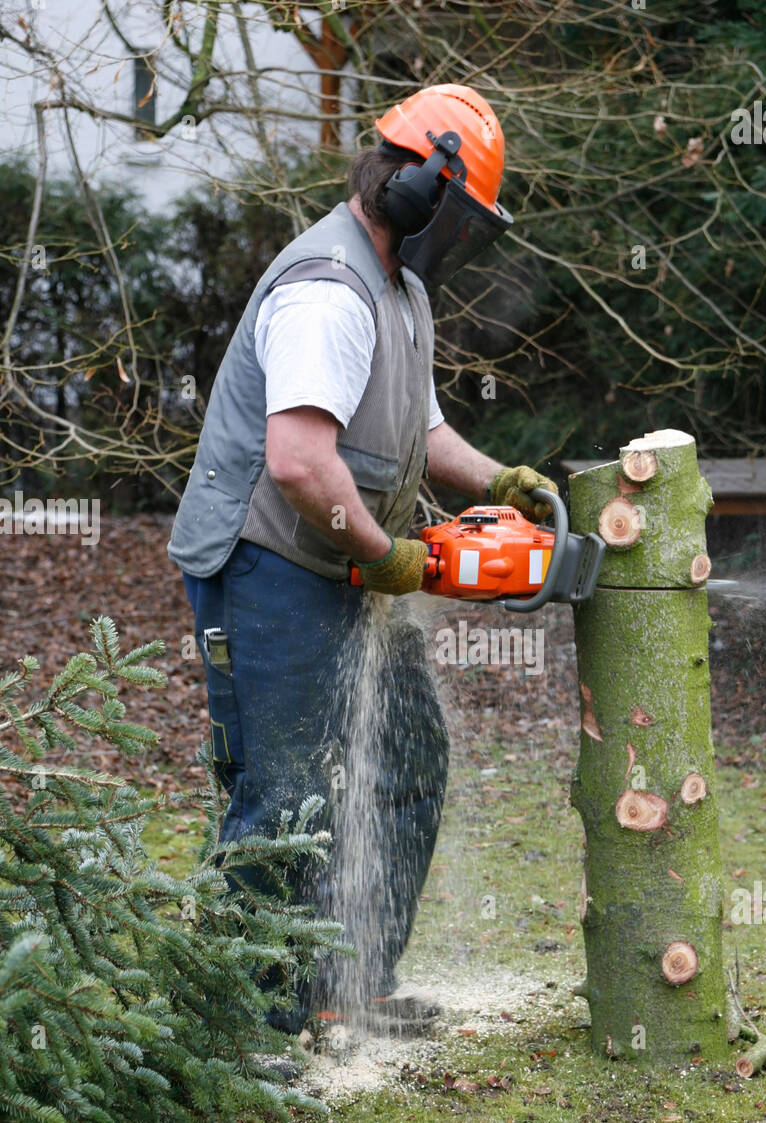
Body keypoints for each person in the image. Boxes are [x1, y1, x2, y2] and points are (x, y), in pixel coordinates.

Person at [168, 84, 556, 1036]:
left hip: (346, 561)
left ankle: (351, 983)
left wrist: (498, 481)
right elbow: (299, 464)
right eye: (461, 218)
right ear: (420, 191)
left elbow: (421, 433)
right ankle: (249, 1025)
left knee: (408, 759)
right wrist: (390, 559)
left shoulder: (400, 291)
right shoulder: (326, 291)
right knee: (285, 793)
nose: (461, 240)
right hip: (269, 565)